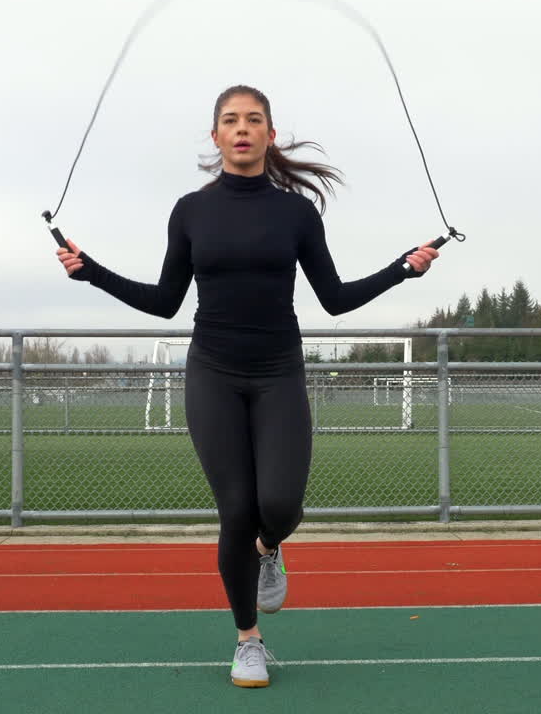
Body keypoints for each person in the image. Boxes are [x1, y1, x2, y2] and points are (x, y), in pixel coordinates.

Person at [56, 84, 439, 688]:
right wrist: (91, 272)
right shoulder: (191, 211)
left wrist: (402, 269)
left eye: (253, 119)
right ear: (215, 136)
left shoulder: (296, 213)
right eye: (231, 120)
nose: (242, 128)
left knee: (280, 506)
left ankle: (268, 549)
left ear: (269, 134)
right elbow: (165, 301)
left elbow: (335, 299)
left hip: (278, 371)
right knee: (236, 510)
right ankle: (248, 639)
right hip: (213, 371)